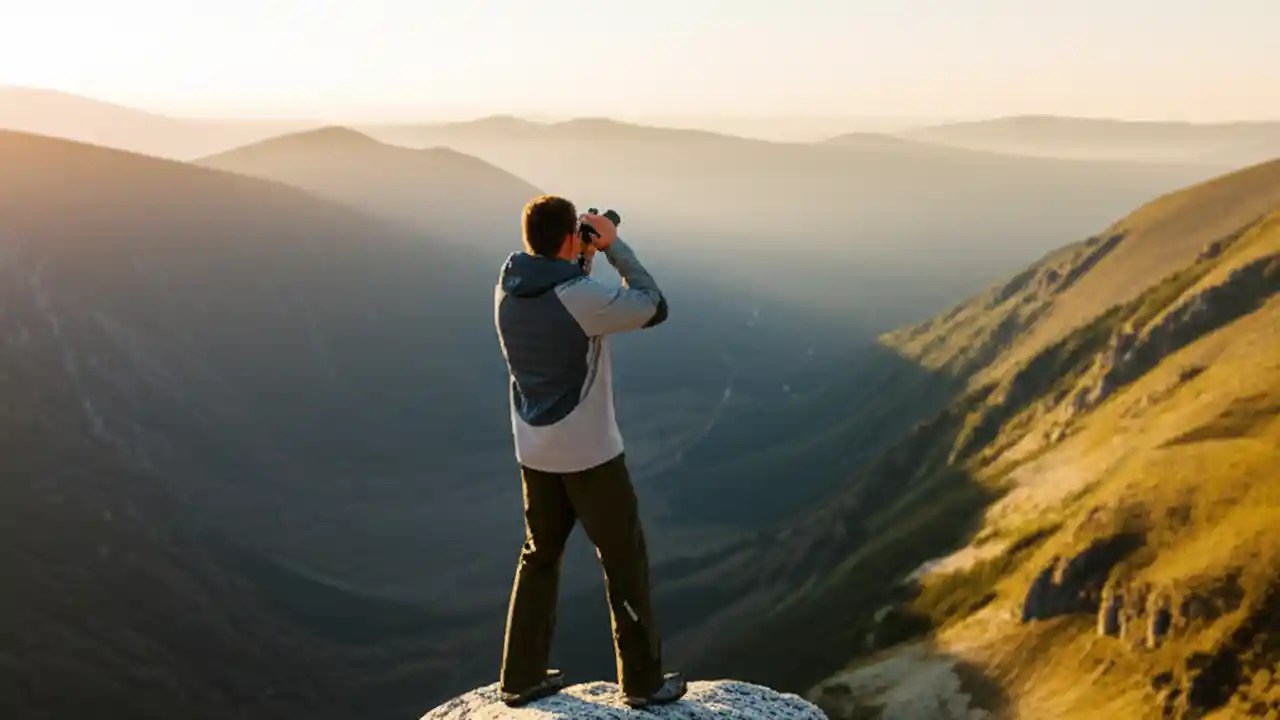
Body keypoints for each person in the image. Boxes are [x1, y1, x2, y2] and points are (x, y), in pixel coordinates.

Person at [492, 195, 685, 708]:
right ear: (568, 238)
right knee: (623, 561)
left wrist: (580, 257)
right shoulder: (580, 298)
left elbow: (556, 288)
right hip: (591, 456)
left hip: (534, 452)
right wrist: (614, 245)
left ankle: (519, 676)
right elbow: (652, 304)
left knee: (538, 557)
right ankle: (643, 683)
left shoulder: (506, 289)